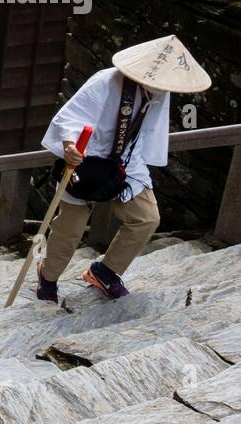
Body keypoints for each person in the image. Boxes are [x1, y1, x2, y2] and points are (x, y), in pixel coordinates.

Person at [36, 34, 211, 303]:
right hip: (87, 160)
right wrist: (71, 146)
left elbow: (145, 133)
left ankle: (104, 271)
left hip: (126, 162)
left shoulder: (159, 92)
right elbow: (71, 117)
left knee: (147, 218)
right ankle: (48, 276)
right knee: (70, 232)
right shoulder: (106, 82)